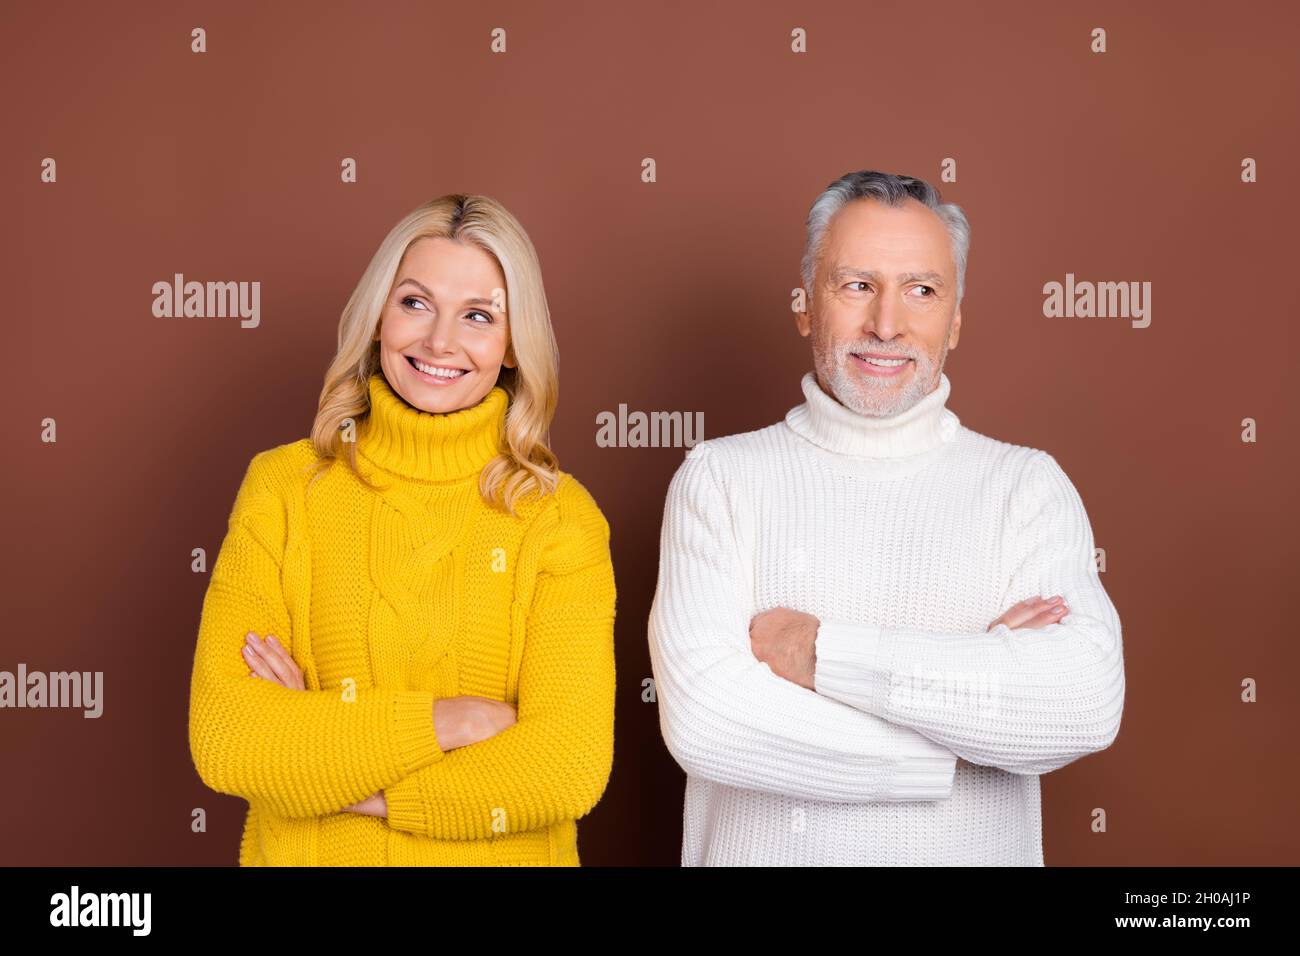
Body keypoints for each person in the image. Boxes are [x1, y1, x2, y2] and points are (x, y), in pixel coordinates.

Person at [647, 170, 1125, 866]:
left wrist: (820, 656)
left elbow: (1079, 704)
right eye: (856, 285)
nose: (887, 324)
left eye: (922, 290)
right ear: (806, 305)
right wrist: (956, 732)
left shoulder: (1025, 488)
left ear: (955, 319)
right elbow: (707, 720)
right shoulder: (720, 480)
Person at [188, 194, 617, 866]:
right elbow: (230, 739)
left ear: (511, 345)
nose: (440, 341)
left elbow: (565, 767)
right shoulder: (283, 489)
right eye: (415, 302)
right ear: (378, 317)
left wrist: (329, 761)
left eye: (478, 315)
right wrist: (453, 723)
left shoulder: (560, 520)